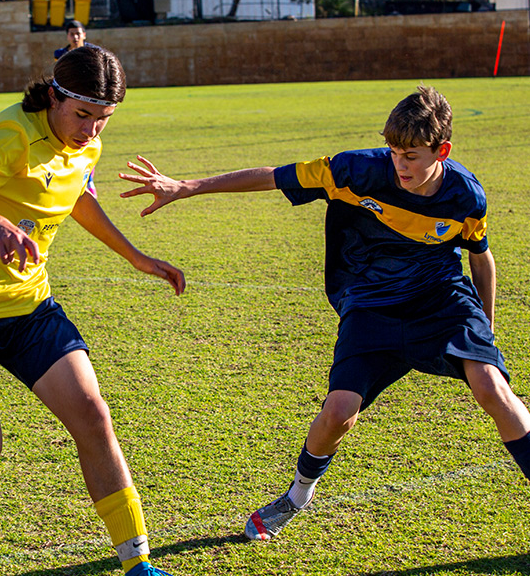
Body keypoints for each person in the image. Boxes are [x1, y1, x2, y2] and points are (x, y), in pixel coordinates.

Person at [120, 84, 530, 542]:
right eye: (394, 152)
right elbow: (273, 177)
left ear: (442, 151)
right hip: (370, 303)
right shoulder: (353, 170)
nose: (400, 164)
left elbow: (480, 257)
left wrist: (486, 330)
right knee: (338, 412)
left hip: (439, 299)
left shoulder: (466, 196)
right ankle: (297, 496)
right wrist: (186, 187)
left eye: (412, 156)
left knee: (492, 387)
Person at [0, 46, 193, 576]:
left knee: (93, 414)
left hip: (29, 308)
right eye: (82, 115)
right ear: (55, 97)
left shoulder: (86, 144)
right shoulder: (13, 133)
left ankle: (139, 568)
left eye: (103, 119)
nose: (91, 130)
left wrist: (135, 257)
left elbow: (77, 196)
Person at [54, 21, 98, 196]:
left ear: (84, 35)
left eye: (78, 33)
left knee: (89, 139)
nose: (75, 37)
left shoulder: (92, 52)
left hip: (89, 102)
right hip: (70, 104)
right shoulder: (60, 54)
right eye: (72, 34)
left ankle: (88, 179)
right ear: (67, 36)